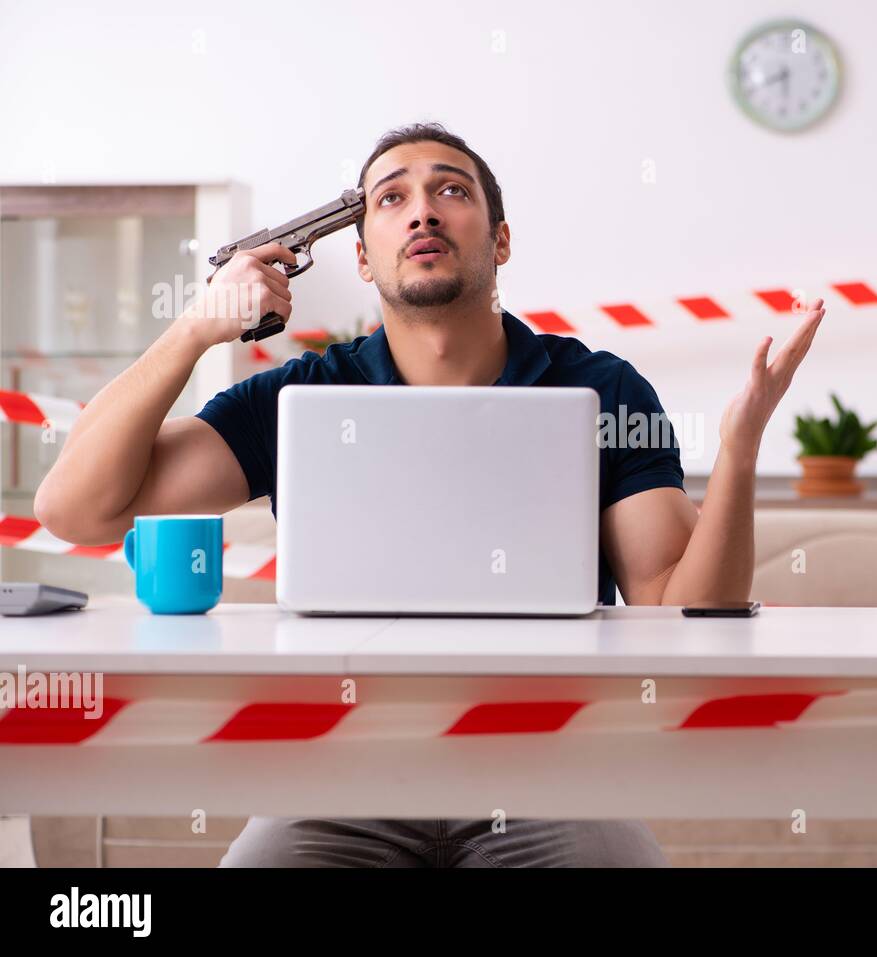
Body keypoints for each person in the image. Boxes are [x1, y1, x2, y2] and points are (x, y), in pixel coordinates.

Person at [33, 122, 825, 867]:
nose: (422, 211)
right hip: (339, 771)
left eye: (451, 190)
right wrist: (195, 329)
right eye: (391, 197)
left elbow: (679, 610)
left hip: (556, 766)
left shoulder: (603, 388)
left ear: (501, 239)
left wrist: (741, 447)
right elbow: (75, 507)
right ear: (366, 260)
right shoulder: (303, 396)